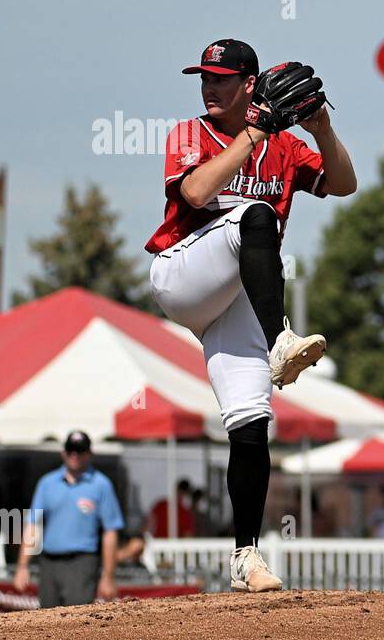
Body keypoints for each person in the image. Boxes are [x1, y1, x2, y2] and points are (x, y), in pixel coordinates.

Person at [145, 39, 358, 593]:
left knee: (251, 422)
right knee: (256, 216)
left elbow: (344, 184)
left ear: (249, 84)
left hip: (237, 298)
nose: (208, 87)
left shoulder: (285, 146)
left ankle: (246, 556)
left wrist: (322, 130)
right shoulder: (192, 134)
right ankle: (281, 340)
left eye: (219, 78)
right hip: (184, 274)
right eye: (203, 78)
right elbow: (194, 190)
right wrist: (253, 134)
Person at [13, 431, 124, 607]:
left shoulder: (101, 485)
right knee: (47, 622)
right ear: (63, 452)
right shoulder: (47, 483)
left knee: (77, 622)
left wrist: (108, 576)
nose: (75, 456)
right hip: (49, 562)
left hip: (82, 562)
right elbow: (33, 525)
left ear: (89, 454)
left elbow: (110, 532)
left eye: (80, 451)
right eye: (71, 450)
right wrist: (22, 566)